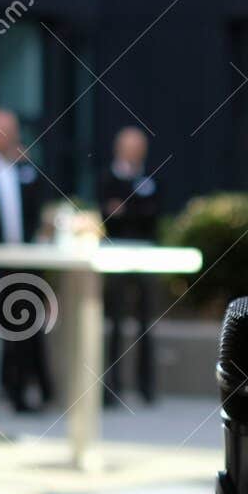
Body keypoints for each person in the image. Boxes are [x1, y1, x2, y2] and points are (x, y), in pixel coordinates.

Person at [0, 108, 54, 413]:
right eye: (0, 130)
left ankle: (27, 392)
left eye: (11, 130)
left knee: (29, 328)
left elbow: (37, 212)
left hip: (25, 261)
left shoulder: (25, 170)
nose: (7, 137)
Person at [99, 126, 160, 408]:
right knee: (115, 319)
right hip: (115, 255)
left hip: (146, 256)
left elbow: (152, 214)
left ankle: (146, 386)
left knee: (146, 321)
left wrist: (127, 210)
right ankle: (111, 386)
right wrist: (132, 211)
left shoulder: (150, 177)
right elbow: (108, 214)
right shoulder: (107, 177)